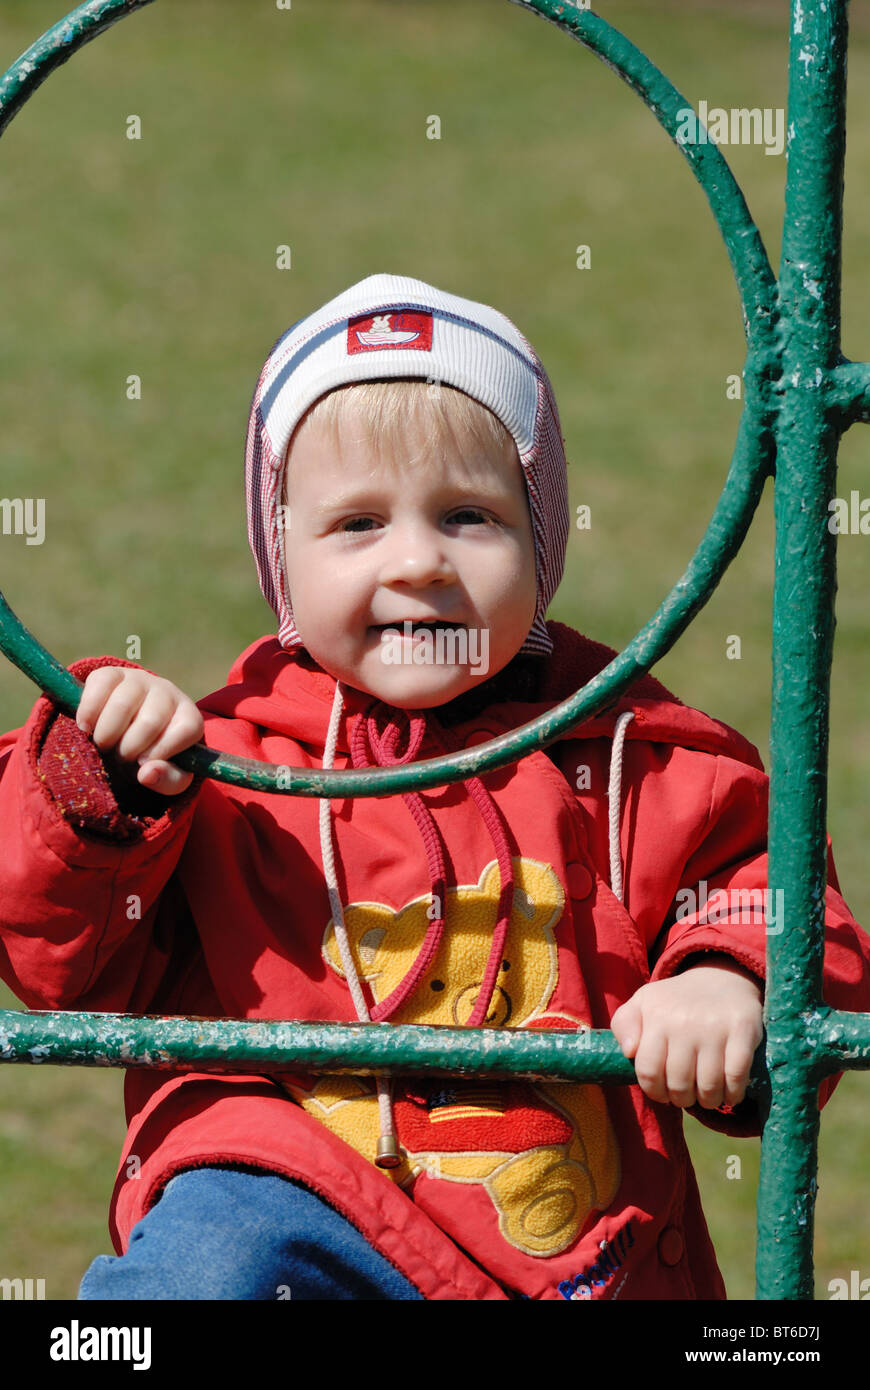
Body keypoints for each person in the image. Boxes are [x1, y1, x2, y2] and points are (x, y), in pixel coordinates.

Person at [0, 273, 868, 1301]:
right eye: (357, 524)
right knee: (194, 1273)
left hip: (568, 1250)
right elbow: (51, 951)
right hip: (282, 1204)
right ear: (282, 554)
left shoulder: (629, 754)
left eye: (468, 515)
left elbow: (764, 880)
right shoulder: (220, 763)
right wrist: (100, 780)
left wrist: (728, 981)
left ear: (541, 537)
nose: (418, 561)